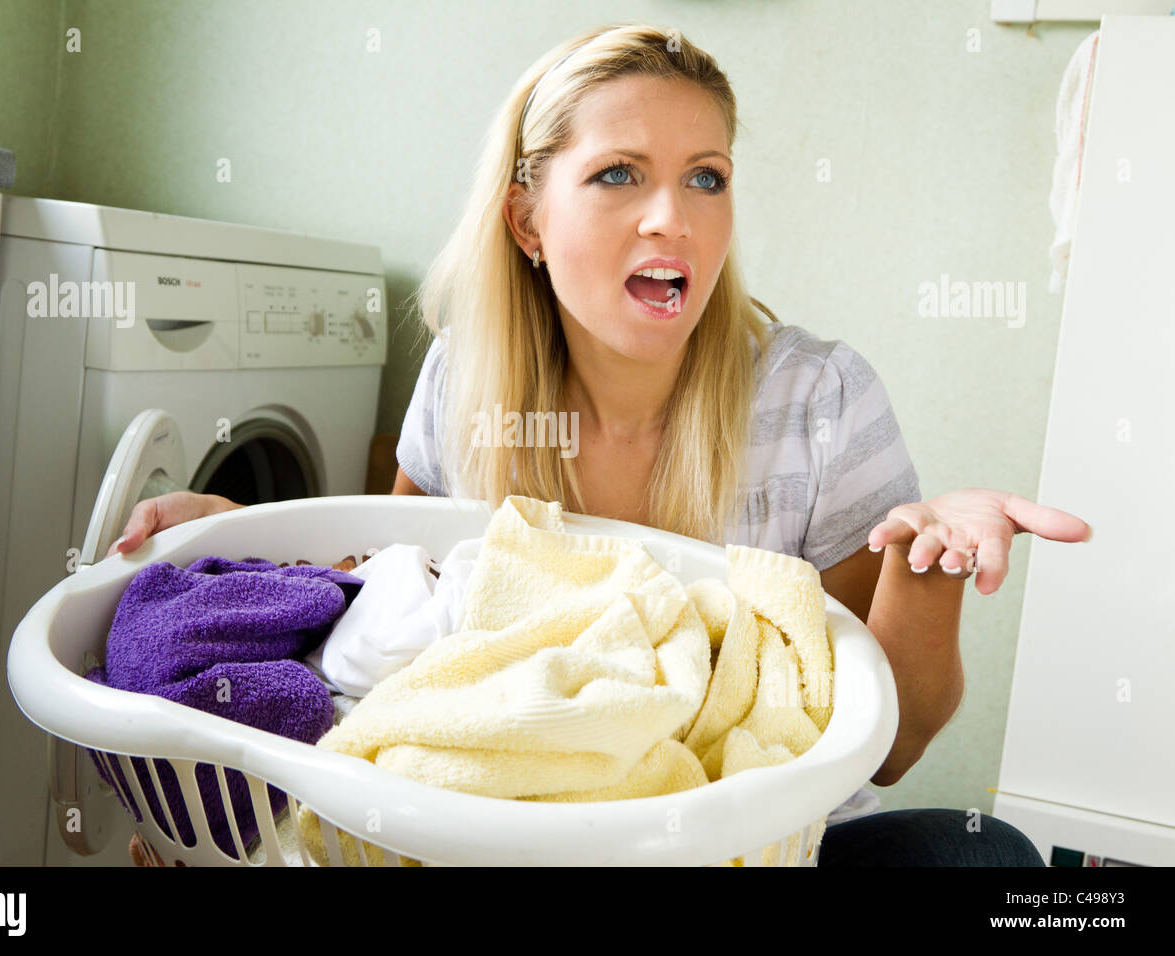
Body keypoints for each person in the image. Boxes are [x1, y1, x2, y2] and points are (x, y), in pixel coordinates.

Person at [112, 22, 1089, 866]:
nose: (673, 216)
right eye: (619, 173)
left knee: (981, 853)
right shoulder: (464, 379)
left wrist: (931, 564)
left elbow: (887, 748)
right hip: (500, 828)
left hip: (744, 836)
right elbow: (389, 625)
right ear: (527, 220)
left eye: (706, 177)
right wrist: (241, 546)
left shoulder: (818, 400)